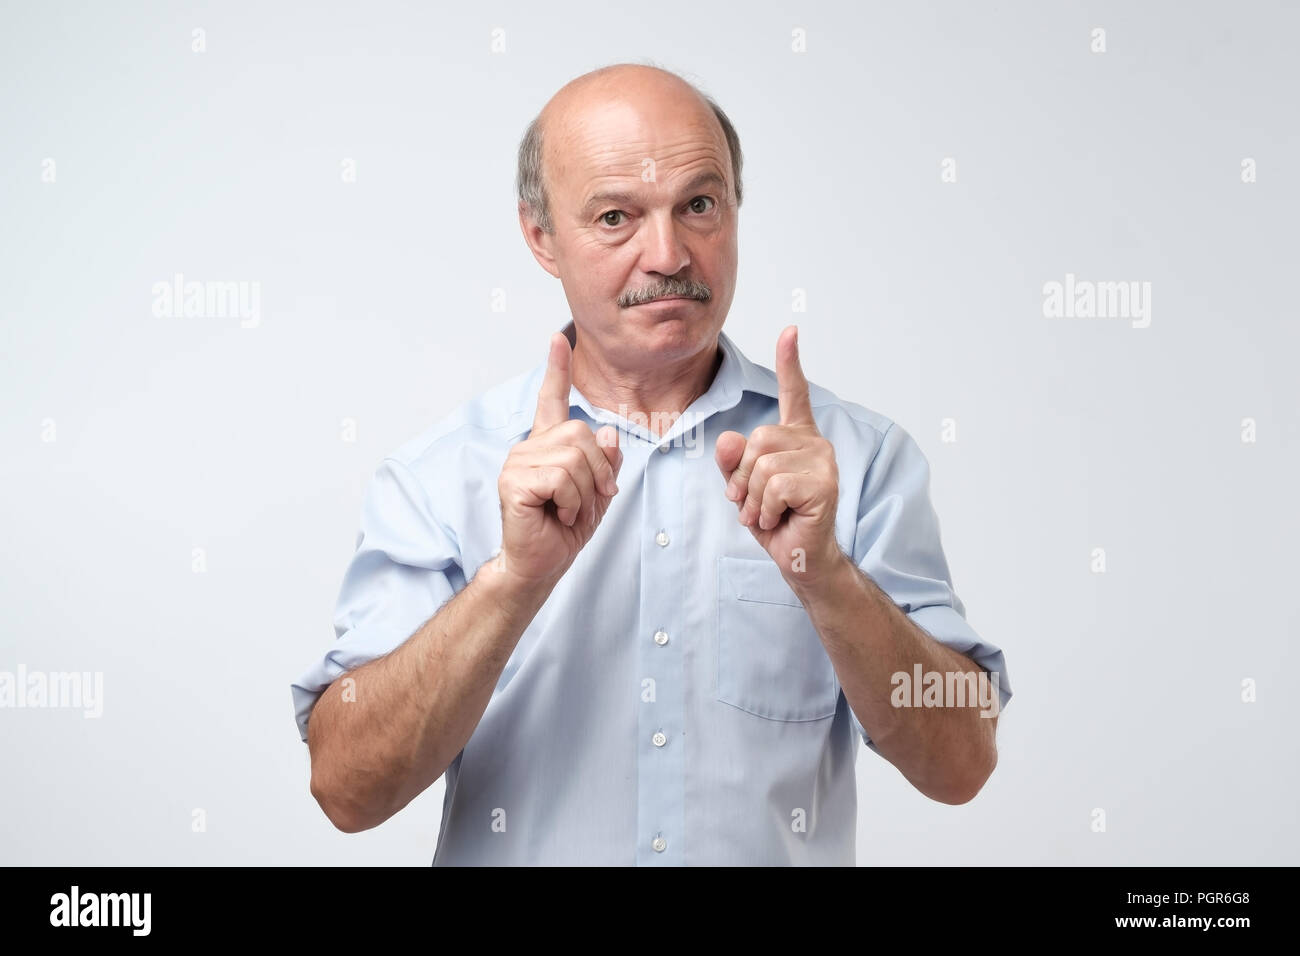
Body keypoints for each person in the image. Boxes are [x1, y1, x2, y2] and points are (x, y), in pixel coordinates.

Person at [290, 62, 1012, 865]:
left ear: (735, 209)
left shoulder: (858, 459)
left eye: (699, 205)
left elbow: (962, 763)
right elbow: (347, 788)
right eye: (615, 217)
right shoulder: (439, 475)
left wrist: (827, 576)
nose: (667, 254)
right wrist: (511, 583)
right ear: (541, 237)